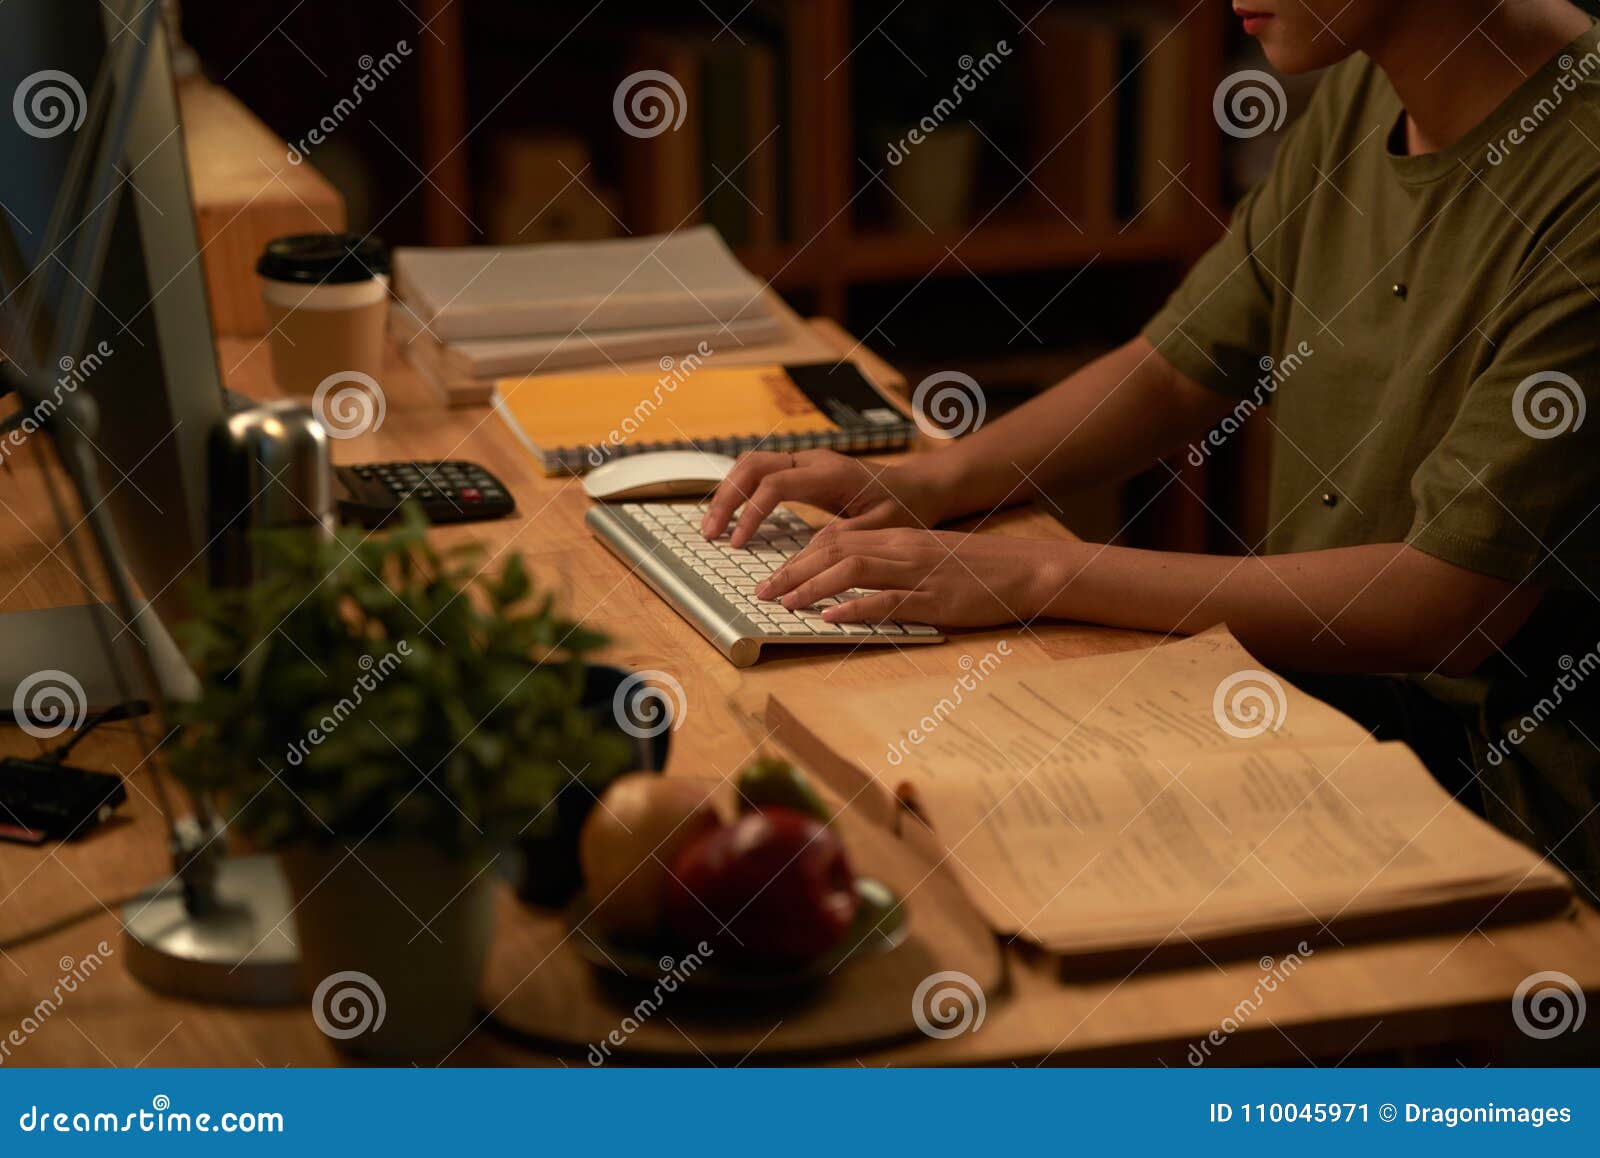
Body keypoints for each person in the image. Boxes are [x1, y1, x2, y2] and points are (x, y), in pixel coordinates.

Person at [702, 0, 1600, 894]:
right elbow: (1178, 369)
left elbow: (1445, 605)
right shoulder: (1367, 85)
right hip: (1322, 713)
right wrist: (928, 480)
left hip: (1505, 819)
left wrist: (1035, 575)